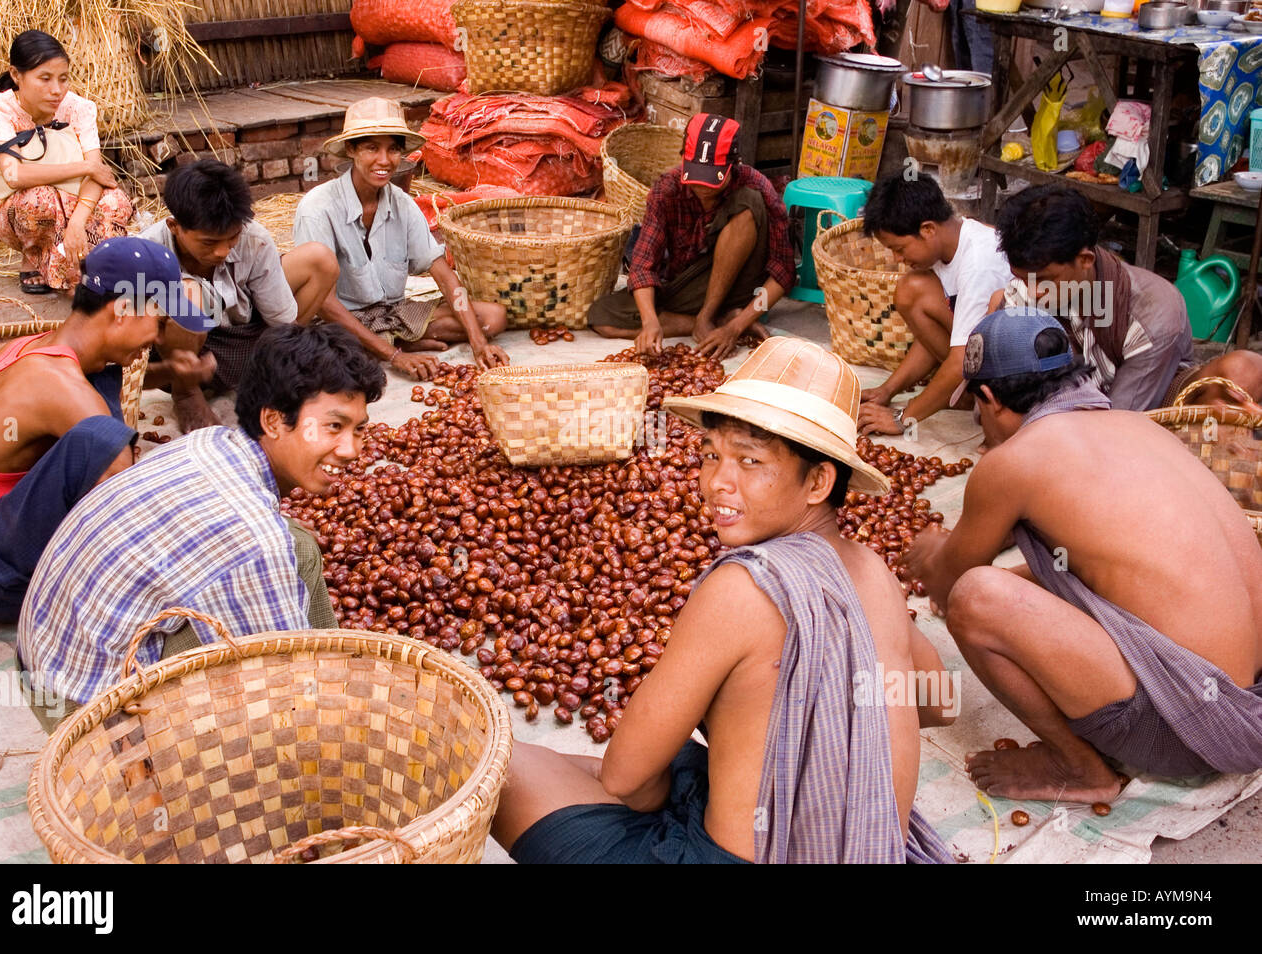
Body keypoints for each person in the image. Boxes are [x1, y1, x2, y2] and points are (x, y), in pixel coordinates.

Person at [492, 338, 955, 863]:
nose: (716, 482)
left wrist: (658, 800)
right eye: (711, 455)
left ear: (819, 481)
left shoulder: (742, 588)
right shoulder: (873, 571)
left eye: (750, 460)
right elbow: (938, 703)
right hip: (863, 850)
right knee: (643, 765)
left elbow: (625, 777)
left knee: (504, 766)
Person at [904, 307, 1262, 801]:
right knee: (1045, 572)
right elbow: (1096, 563)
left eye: (978, 407)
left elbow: (948, 586)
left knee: (976, 598)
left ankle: (1079, 769)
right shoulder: (1141, 427)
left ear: (988, 398)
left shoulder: (1014, 463)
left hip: (1195, 733)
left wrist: (933, 555)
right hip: (1247, 704)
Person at [17, 323, 385, 729]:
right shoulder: (254, 540)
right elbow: (282, 684)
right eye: (334, 427)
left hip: (43, 657)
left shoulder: (210, 440)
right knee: (288, 696)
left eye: (359, 428)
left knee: (298, 546)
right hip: (86, 709)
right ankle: (332, 688)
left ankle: (331, 662)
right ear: (274, 421)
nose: (352, 450)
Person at [0, 236, 212, 623]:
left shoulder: (37, 349)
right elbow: (130, 509)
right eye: (159, 322)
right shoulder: (61, 388)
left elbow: (93, 380)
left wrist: (168, 372)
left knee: (104, 384)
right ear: (123, 310)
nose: (159, 339)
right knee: (101, 442)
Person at [992, 184, 1262, 413]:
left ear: (1085, 260)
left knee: (1244, 370)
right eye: (1024, 277)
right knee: (997, 316)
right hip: (1067, 398)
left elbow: (1119, 420)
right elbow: (994, 392)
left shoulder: (1153, 314)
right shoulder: (1030, 283)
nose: (1033, 290)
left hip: (1150, 402)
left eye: (1043, 280)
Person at [293, 97, 508, 378]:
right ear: (351, 150)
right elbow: (325, 304)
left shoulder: (402, 203)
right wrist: (394, 357)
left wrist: (477, 341)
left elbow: (444, 276)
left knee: (493, 318)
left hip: (392, 314)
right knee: (316, 355)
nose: (384, 161)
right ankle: (387, 344)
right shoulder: (318, 207)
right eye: (372, 148)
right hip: (338, 323)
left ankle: (394, 339)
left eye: (393, 149)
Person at [139, 159, 346, 432]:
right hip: (178, 356)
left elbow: (283, 321)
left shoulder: (254, 239)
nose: (223, 252)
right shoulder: (147, 249)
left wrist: (297, 369)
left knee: (320, 260)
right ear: (175, 227)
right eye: (209, 243)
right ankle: (187, 394)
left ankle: (263, 367)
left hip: (243, 338)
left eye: (232, 238)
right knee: (186, 295)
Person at [587, 113, 797, 362]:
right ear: (682, 160)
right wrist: (650, 322)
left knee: (749, 201)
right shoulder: (667, 189)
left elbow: (783, 275)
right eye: (696, 178)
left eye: (713, 181)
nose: (703, 188)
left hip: (743, 285)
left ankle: (712, 316)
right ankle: (712, 320)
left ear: (734, 166)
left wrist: (736, 328)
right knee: (602, 317)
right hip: (690, 286)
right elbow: (643, 265)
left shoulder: (755, 184)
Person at [0, 30, 133, 295]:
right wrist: (84, 167)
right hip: (20, 207)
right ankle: (43, 262)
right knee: (41, 199)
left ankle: (85, 262)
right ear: (16, 75)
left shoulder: (79, 108)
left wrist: (77, 223)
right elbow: (14, 176)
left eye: (63, 79)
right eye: (44, 79)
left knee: (116, 201)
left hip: (73, 202)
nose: (56, 90)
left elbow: (98, 176)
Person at [858, 171, 1013, 436]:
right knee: (912, 289)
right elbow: (934, 337)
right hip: (980, 352)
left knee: (913, 288)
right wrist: (888, 389)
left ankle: (977, 397)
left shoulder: (978, 264)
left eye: (900, 248)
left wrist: (904, 418)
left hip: (1012, 373)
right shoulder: (948, 244)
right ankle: (962, 395)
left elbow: (964, 356)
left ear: (928, 229)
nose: (897, 258)